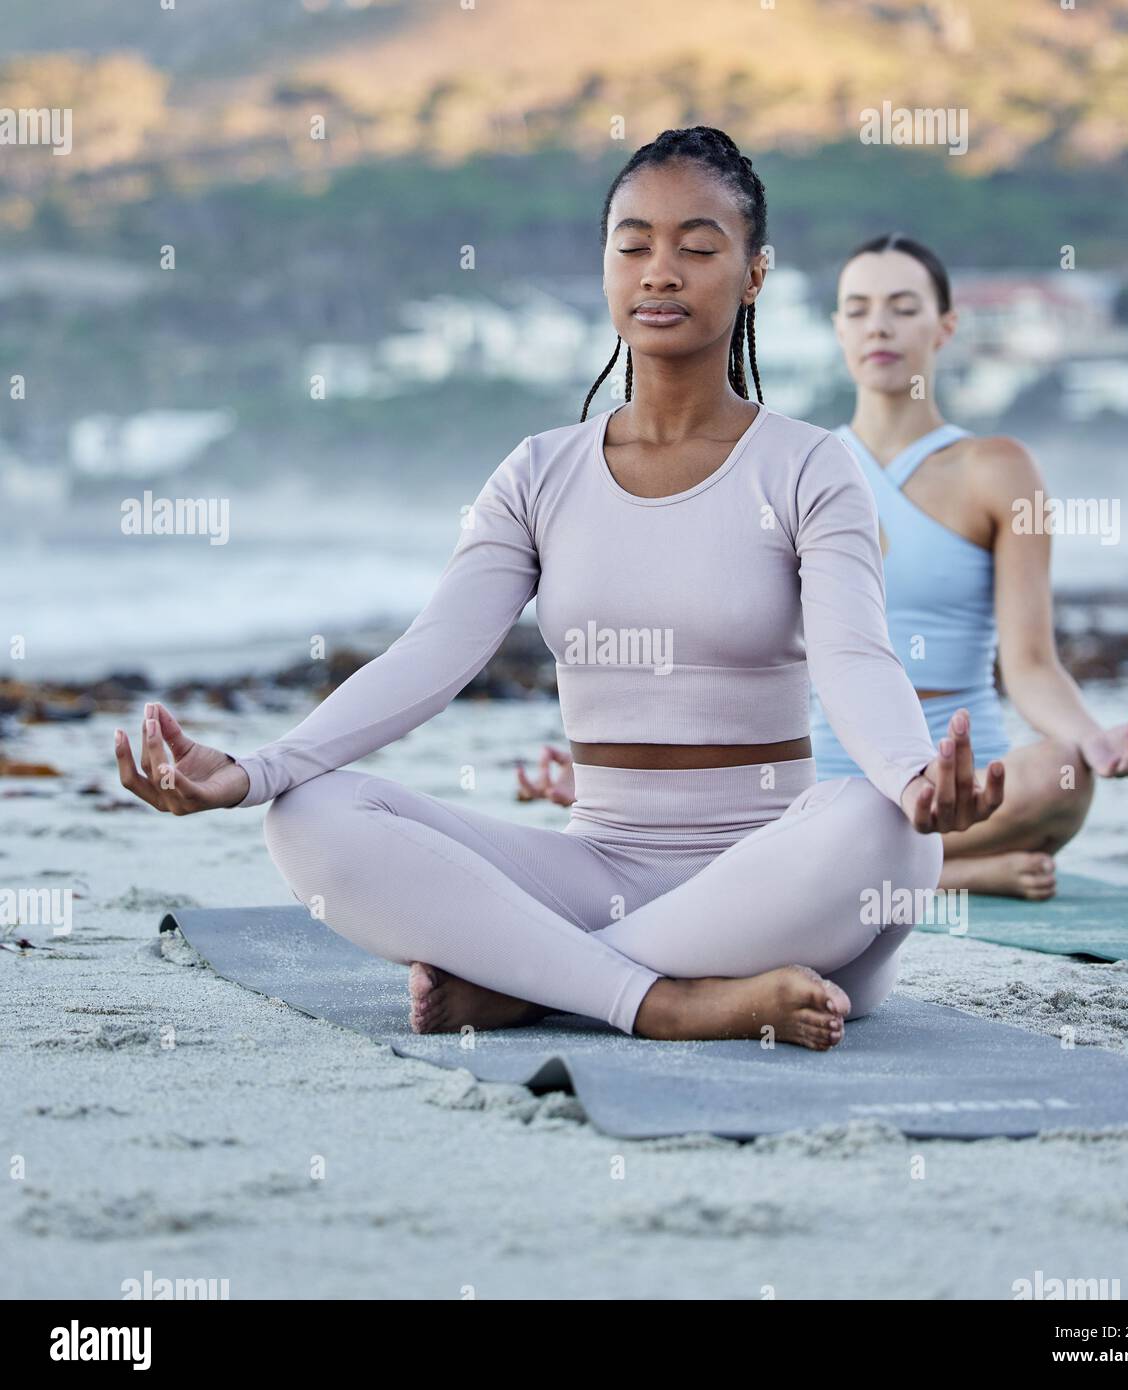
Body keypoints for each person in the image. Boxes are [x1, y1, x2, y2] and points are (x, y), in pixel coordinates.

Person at [114, 128, 1002, 1049]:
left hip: (773, 880)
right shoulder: (539, 472)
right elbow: (434, 654)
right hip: (592, 868)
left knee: (890, 833)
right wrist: (258, 771)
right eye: (632, 246)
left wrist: (910, 775)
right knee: (311, 818)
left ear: (753, 275)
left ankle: (538, 987)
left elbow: (854, 653)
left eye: (697, 249)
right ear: (605, 266)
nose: (660, 272)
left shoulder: (809, 467)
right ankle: (664, 1002)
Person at [520, 233, 1128, 901]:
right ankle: (947, 874)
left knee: (1060, 775)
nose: (878, 326)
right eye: (857, 308)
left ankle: (906, 865)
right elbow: (703, 638)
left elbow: (1031, 664)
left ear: (945, 326)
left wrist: (1093, 742)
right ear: (837, 328)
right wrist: (622, 773)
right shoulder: (792, 465)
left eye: (902, 306)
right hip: (810, 782)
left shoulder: (997, 469)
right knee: (791, 818)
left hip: (954, 779)